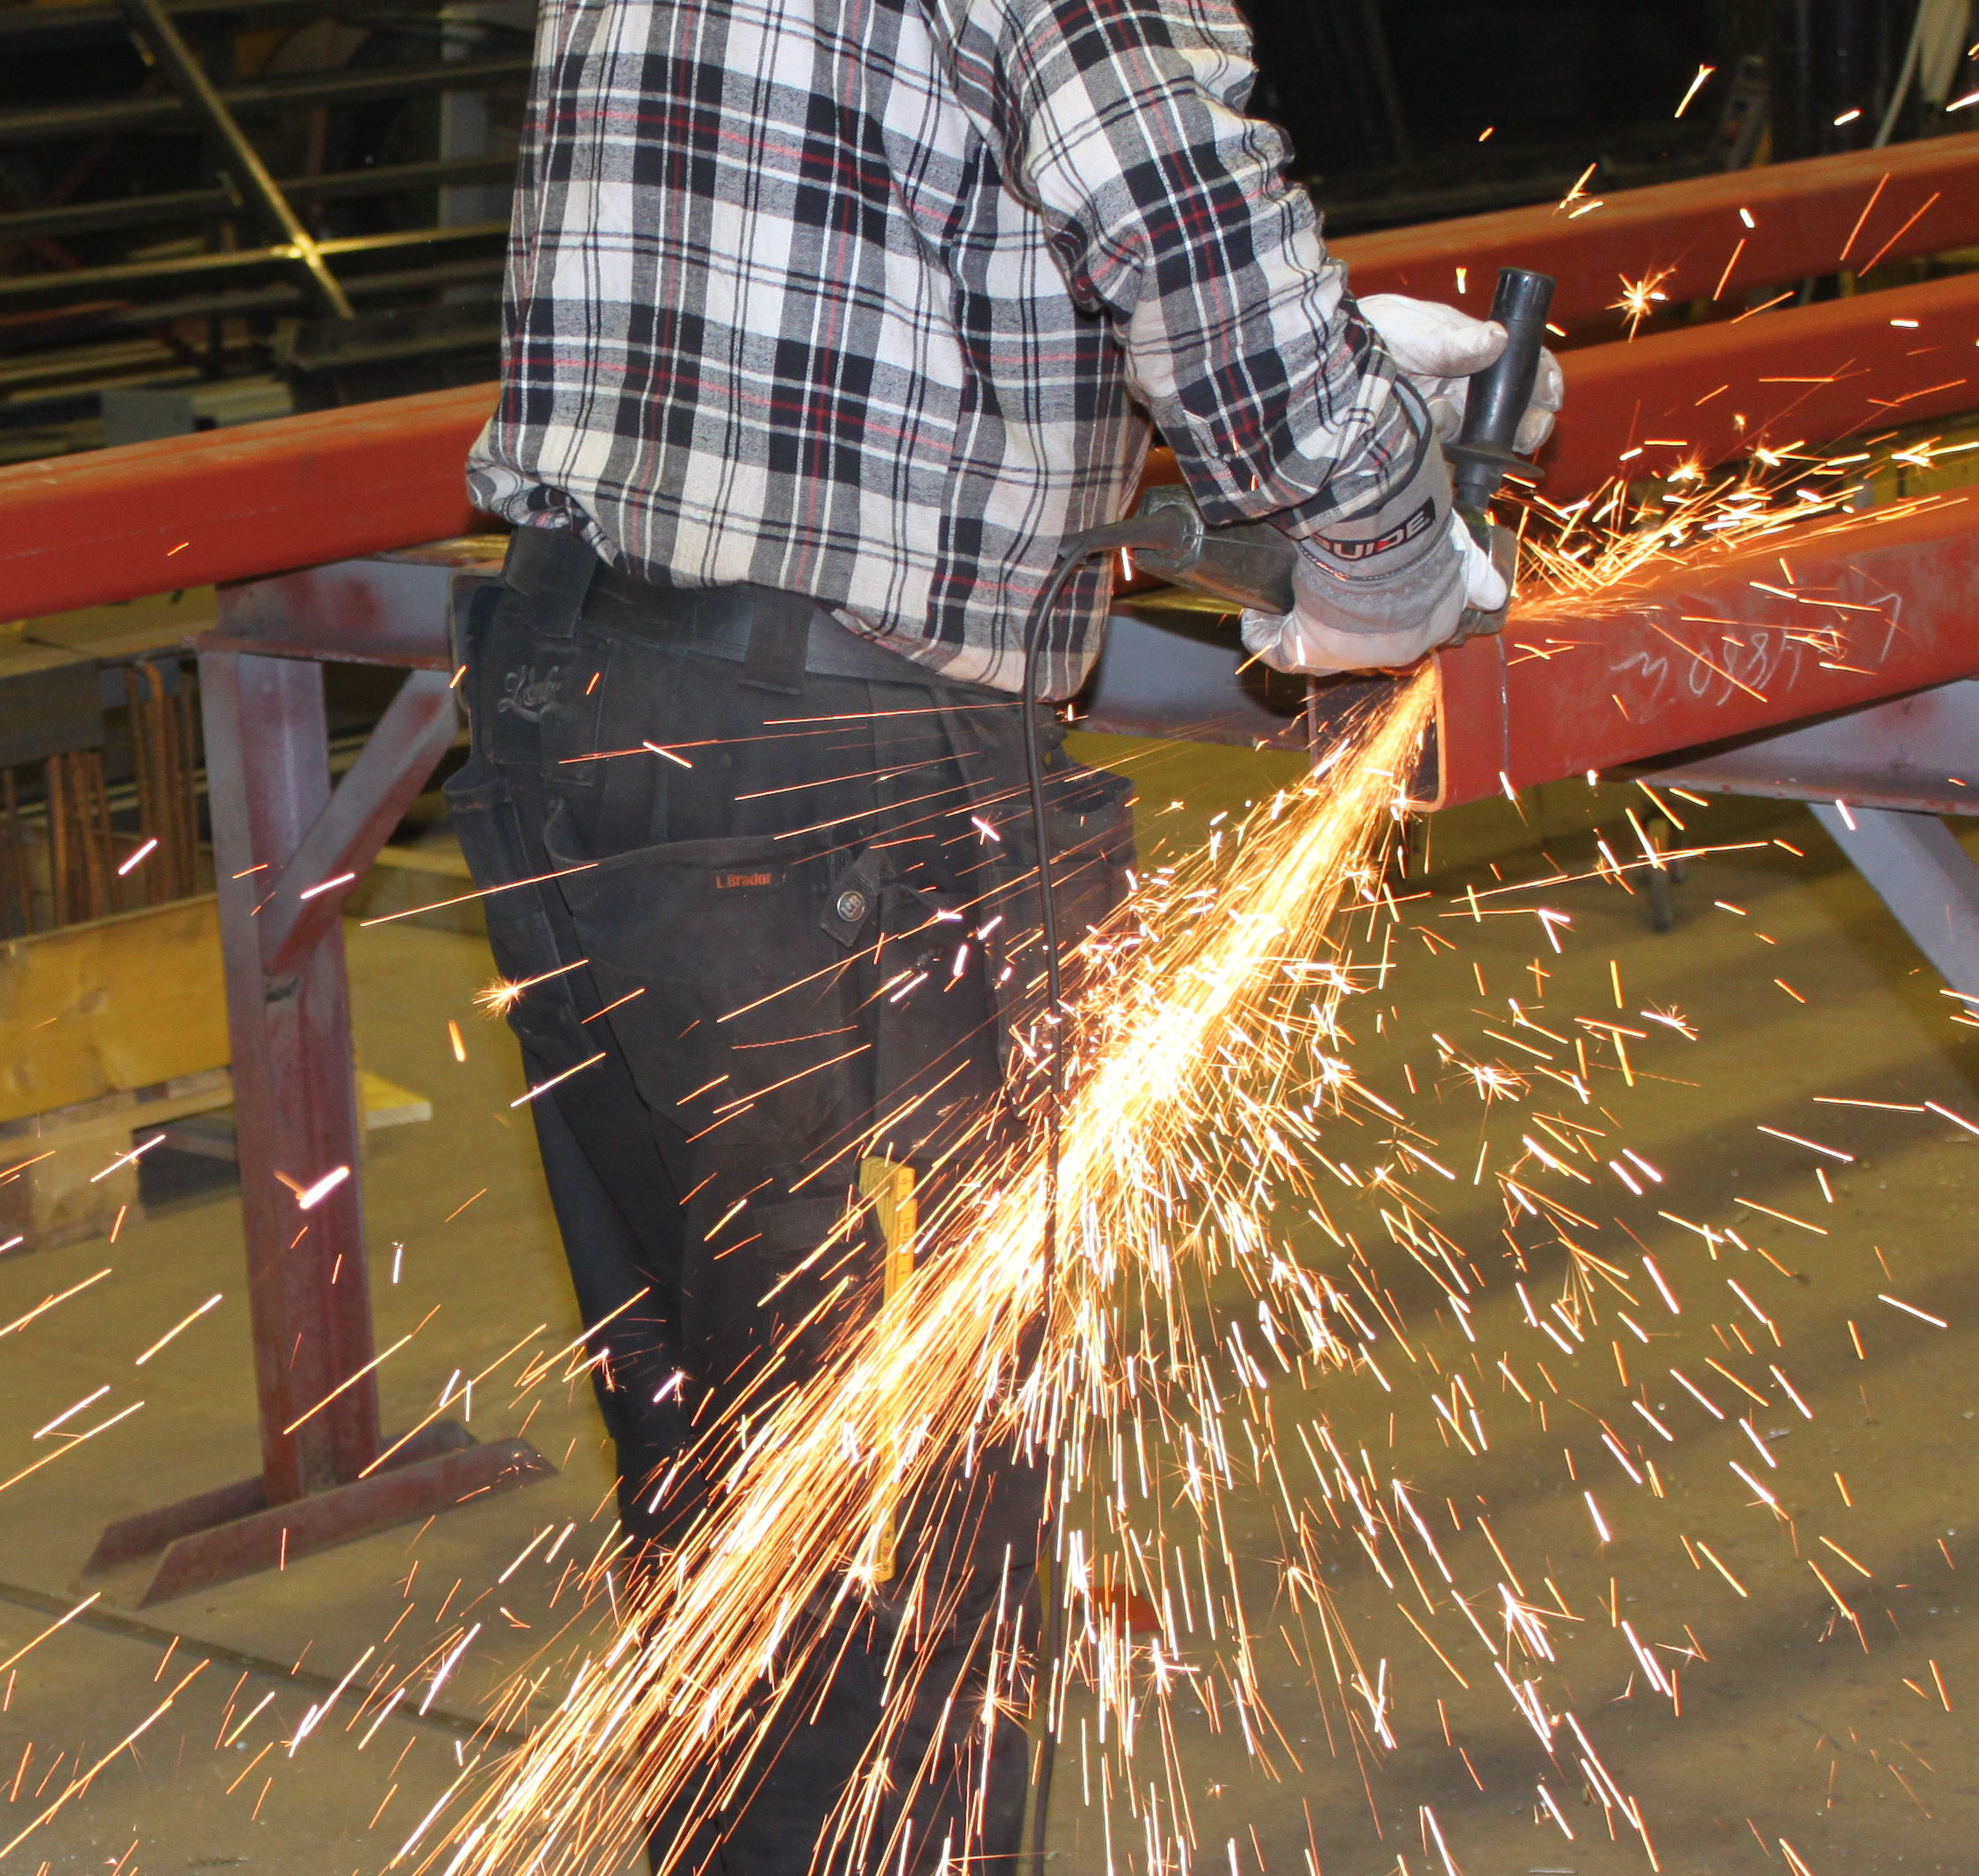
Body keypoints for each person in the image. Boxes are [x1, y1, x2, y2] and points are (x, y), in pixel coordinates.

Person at [444, 2, 1561, 1868]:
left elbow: (860, 275)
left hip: (584, 713)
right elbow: (1185, 234)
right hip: (837, 802)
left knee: (734, 1494)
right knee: (899, 1546)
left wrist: (1343, 367)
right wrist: (1377, 526)